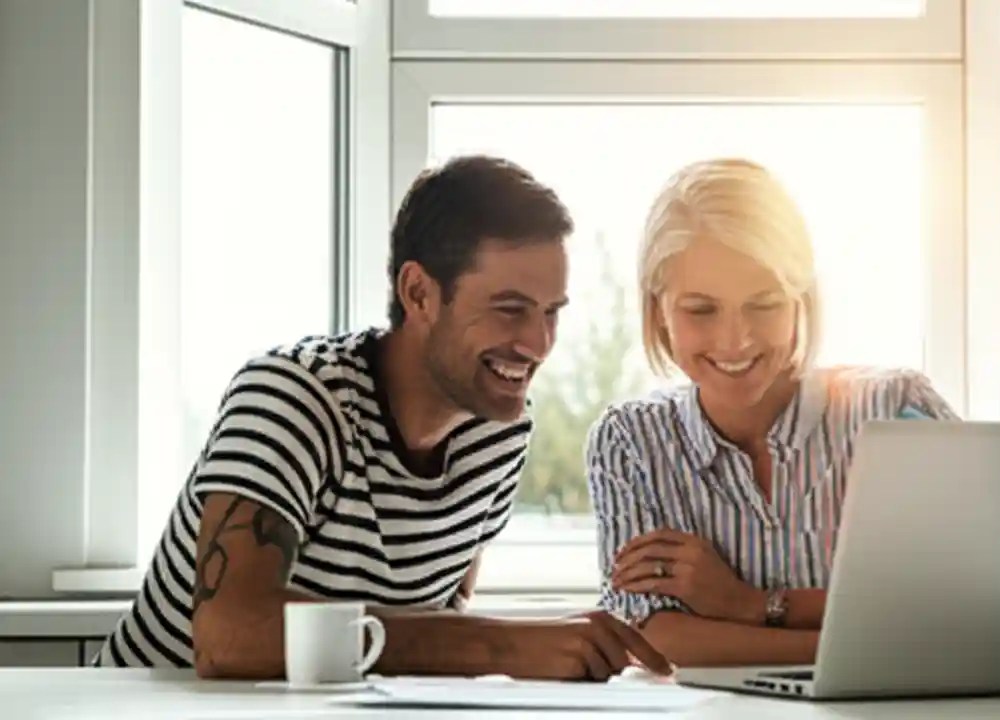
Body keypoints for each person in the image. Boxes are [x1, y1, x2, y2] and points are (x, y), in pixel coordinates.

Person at [96, 155, 669, 682]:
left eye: (551, 313)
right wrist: (503, 646)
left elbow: (440, 623)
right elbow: (229, 638)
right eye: (510, 309)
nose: (538, 344)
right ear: (419, 294)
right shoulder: (296, 395)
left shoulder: (499, 432)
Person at [587, 158, 958, 667]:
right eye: (701, 310)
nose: (735, 340)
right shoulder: (631, 441)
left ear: (801, 300)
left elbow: (952, 605)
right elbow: (654, 637)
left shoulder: (896, 410)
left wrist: (750, 605)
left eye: (764, 305)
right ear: (659, 312)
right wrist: (863, 649)